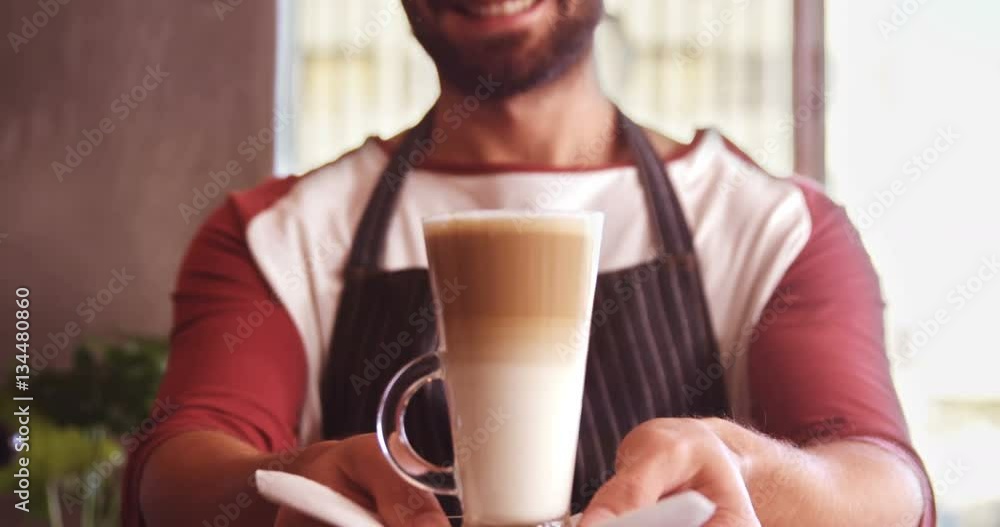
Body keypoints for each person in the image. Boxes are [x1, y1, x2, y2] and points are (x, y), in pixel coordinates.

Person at [125, 1, 934, 526]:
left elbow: (888, 489)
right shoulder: (277, 233)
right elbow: (170, 474)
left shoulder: (774, 228)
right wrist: (299, 479)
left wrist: (747, 467)